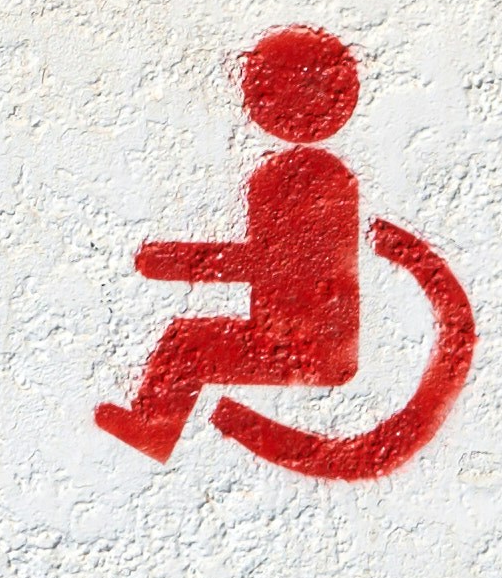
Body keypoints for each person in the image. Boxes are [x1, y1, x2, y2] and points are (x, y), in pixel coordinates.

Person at [97, 24, 367, 460]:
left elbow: (273, 266)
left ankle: (153, 429)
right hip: (285, 335)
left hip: (308, 349)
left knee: (190, 343)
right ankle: (152, 426)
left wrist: (180, 263)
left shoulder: (310, 180)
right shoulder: (305, 174)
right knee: (189, 338)